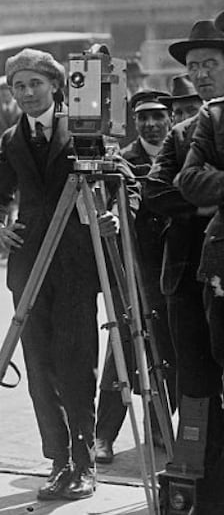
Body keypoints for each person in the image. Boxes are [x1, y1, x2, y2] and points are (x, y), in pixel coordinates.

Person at [0, 48, 128, 501]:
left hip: (74, 267)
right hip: (28, 268)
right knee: (40, 367)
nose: (27, 94)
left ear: (56, 87)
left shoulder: (87, 130)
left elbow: (123, 179)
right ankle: (57, 461)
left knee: (75, 364)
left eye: (35, 85)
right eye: (18, 87)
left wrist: (115, 217)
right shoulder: (11, 139)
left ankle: (83, 464)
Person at [95, 90, 175, 464]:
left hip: (171, 268)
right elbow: (112, 201)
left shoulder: (181, 153)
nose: (151, 124)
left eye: (158, 116)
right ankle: (103, 435)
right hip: (131, 266)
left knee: (169, 348)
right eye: (143, 118)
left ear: (169, 119)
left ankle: (159, 425)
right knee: (123, 350)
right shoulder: (123, 160)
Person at [173, 15, 224, 508]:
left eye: (211, 63)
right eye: (195, 67)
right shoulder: (212, 119)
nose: (202, 74)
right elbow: (188, 182)